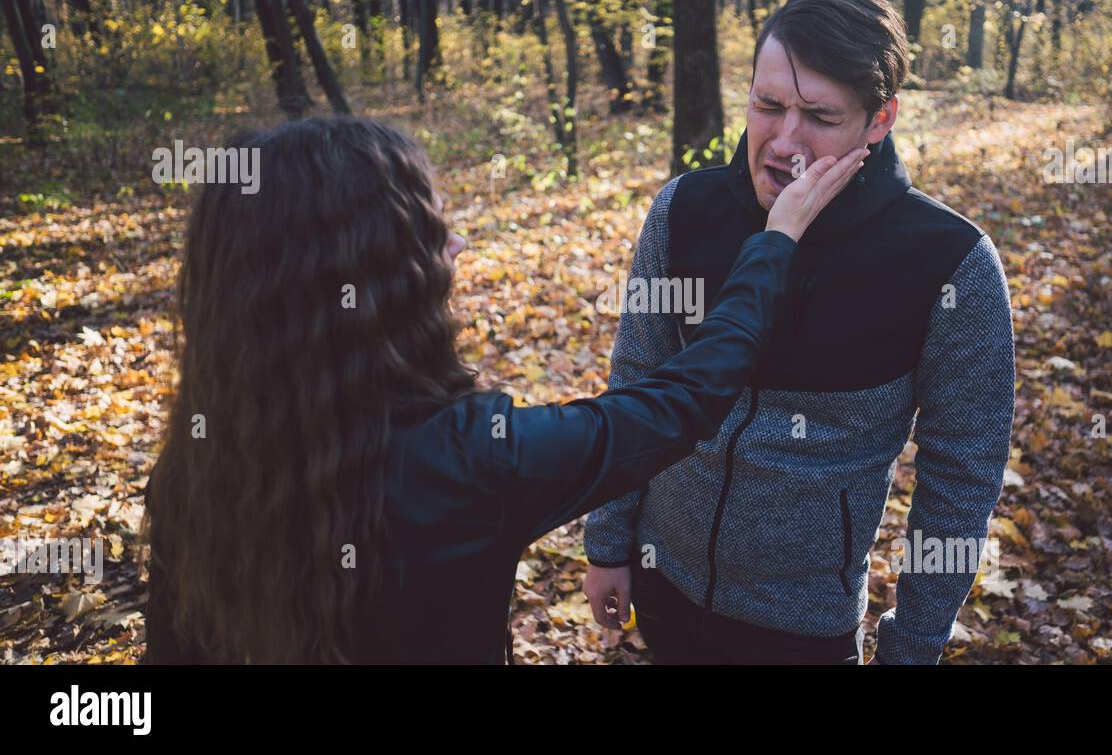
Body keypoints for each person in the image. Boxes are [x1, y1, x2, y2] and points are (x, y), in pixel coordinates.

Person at [141, 116, 868, 664]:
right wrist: (775, 243)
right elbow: (679, 401)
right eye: (429, 230)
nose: (456, 246)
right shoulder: (470, 464)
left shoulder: (195, 466)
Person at [583, 0, 1017, 665]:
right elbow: (636, 377)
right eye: (768, 106)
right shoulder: (685, 210)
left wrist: (912, 647)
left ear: (880, 119)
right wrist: (608, 541)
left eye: (819, 114)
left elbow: (961, 479)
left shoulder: (950, 262)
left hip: (803, 629)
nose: (785, 141)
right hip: (657, 584)